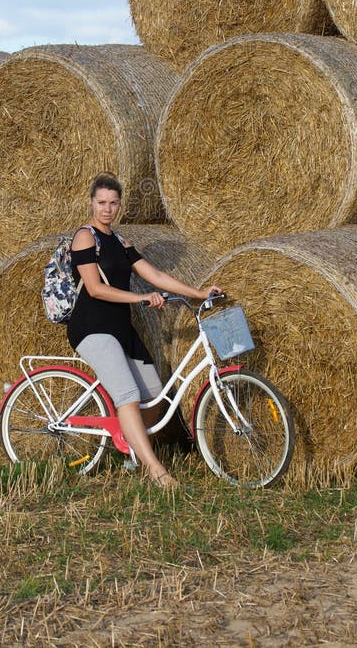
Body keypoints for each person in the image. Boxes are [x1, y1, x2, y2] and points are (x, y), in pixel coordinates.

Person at [67, 171, 222, 489]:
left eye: (112, 203)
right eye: (101, 203)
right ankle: (155, 470)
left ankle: (130, 447)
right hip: (92, 328)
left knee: (153, 399)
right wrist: (140, 297)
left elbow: (154, 274)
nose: (106, 209)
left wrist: (200, 292)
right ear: (91, 203)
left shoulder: (121, 242)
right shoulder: (85, 238)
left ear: (119, 205)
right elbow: (95, 289)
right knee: (127, 396)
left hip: (121, 328)